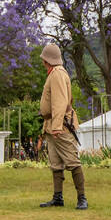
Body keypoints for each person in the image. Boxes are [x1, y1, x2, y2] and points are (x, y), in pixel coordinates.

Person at [38, 43, 86, 210]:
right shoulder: (54, 74)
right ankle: (58, 197)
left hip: (61, 124)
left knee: (72, 161)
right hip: (52, 123)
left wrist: (57, 126)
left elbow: (59, 102)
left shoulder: (57, 74)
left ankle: (82, 197)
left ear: (47, 60)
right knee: (56, 162)